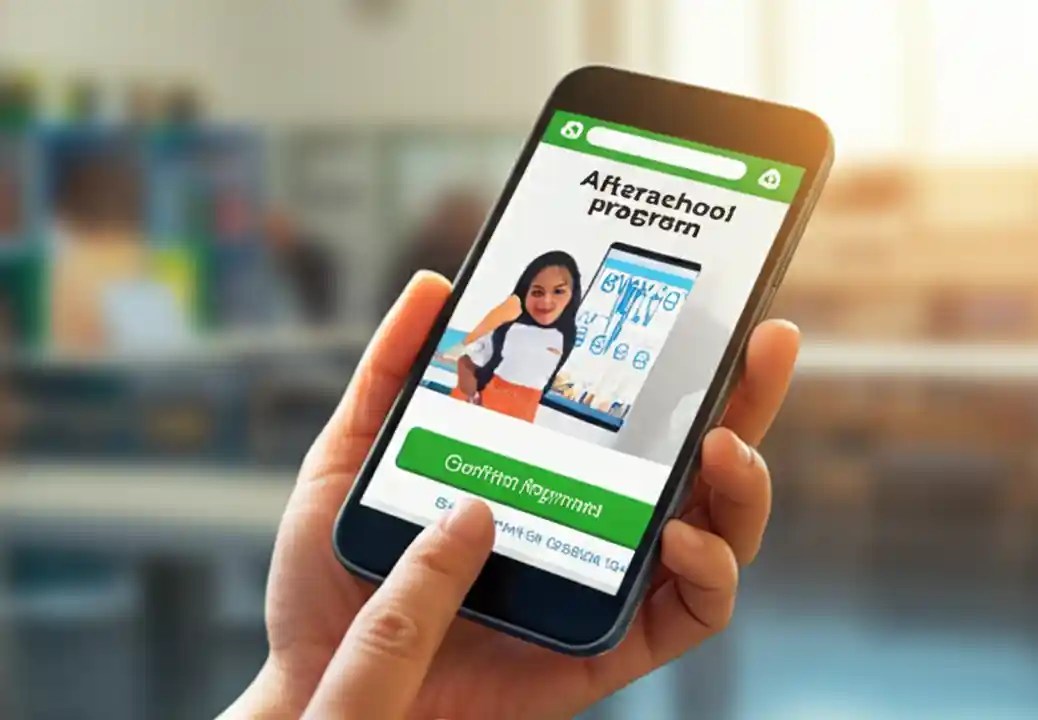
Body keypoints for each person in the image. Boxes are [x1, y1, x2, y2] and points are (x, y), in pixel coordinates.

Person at [222, 272, 800, 718]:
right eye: (541, 290)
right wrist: (309, 685)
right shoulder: (515, 327)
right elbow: (471, 361)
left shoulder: (574, 349)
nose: (549, 300)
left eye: (561, 292)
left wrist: (306, 691)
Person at [451, 251, 581, 422]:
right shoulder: (507, 322)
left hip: (521, 413)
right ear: (525, 291)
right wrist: (471, 395)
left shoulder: (567, 335)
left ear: (572, 295)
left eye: (558, 291)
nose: (546, 301)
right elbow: (466, 360)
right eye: (537, 292)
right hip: (480, 402)